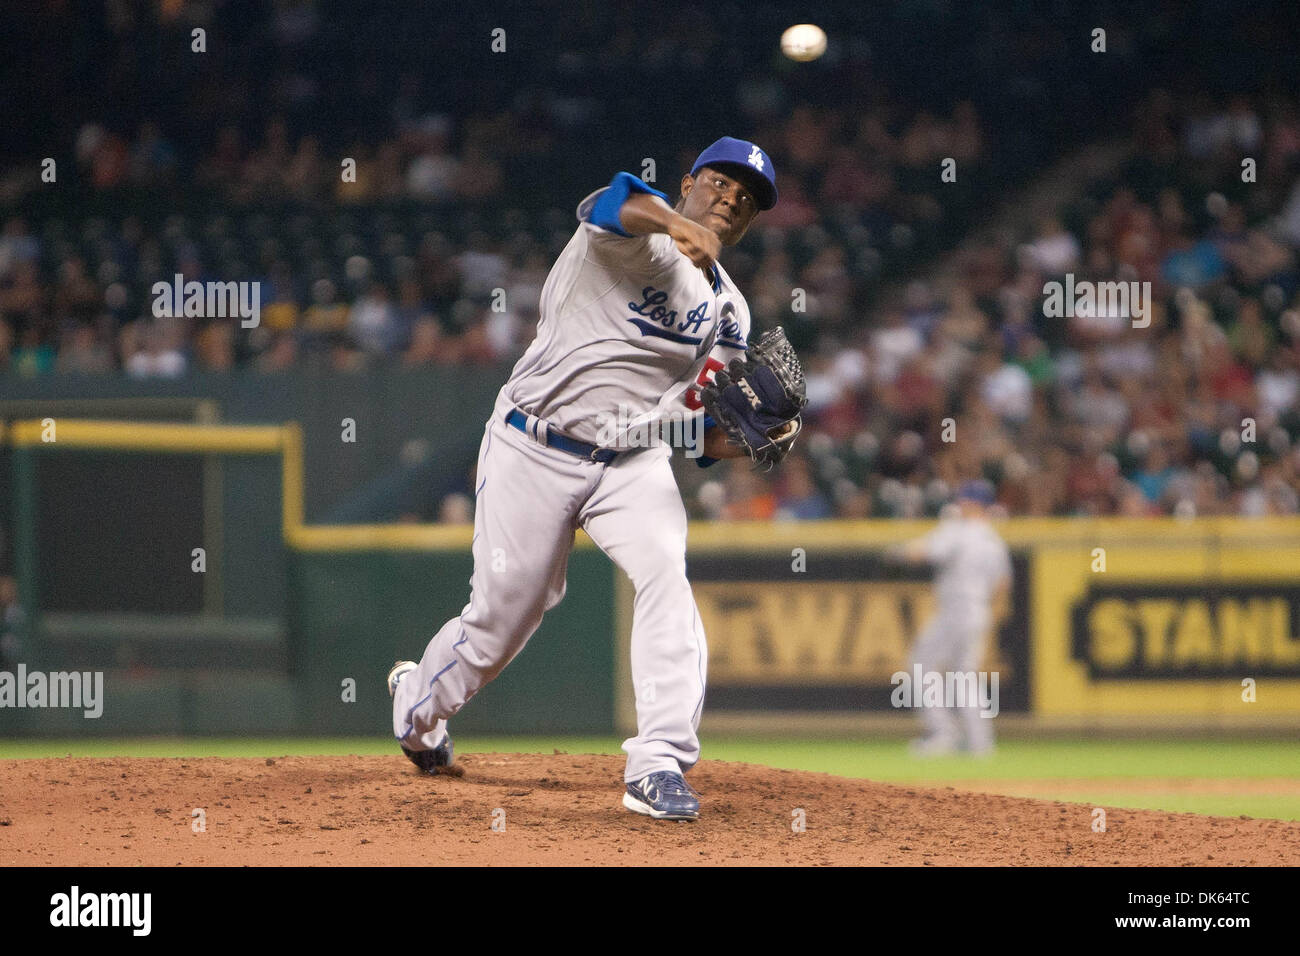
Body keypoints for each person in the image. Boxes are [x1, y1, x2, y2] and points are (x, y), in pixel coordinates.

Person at [388, 137, 780, 820]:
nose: (730, 200)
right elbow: (616, 199)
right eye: (720, 184)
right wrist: (676, 224)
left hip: (632, 460)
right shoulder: (636, 236)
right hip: (532, 445)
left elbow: (703, 424)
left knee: (665, 573)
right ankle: (418, 713)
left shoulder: (730, 313)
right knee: (498, 625)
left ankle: (658, 763)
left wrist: (751, 439)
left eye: (744, 201)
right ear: (688, 184)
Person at [887, 479, 1011, 756]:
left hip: (957, 608)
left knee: (921, 664)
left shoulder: (960, 530)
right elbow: (1002, 585)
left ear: (973, 503)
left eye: (964, 499)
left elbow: (925, 551)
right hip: (980, 610)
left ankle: (944, 734)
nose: (960, 504)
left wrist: (898, 552)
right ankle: (981, 743)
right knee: (964, 675)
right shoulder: (993, 539)